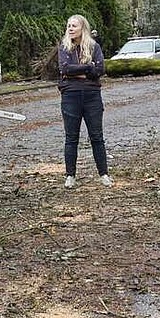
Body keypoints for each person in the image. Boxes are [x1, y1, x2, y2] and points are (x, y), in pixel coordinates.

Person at [58, 14, 113, 189]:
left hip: (92, 97)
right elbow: (65, 68)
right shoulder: (64, 47)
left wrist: (79, 72)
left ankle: (104, 174)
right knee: (71, 137)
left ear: (83, 28)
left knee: (96, 136)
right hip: (70, 97)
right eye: (68, 26)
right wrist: (88, 68)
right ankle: (70, 176)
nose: (70, 28)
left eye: (74, 25)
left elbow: (100, 69)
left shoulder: (93, 46)